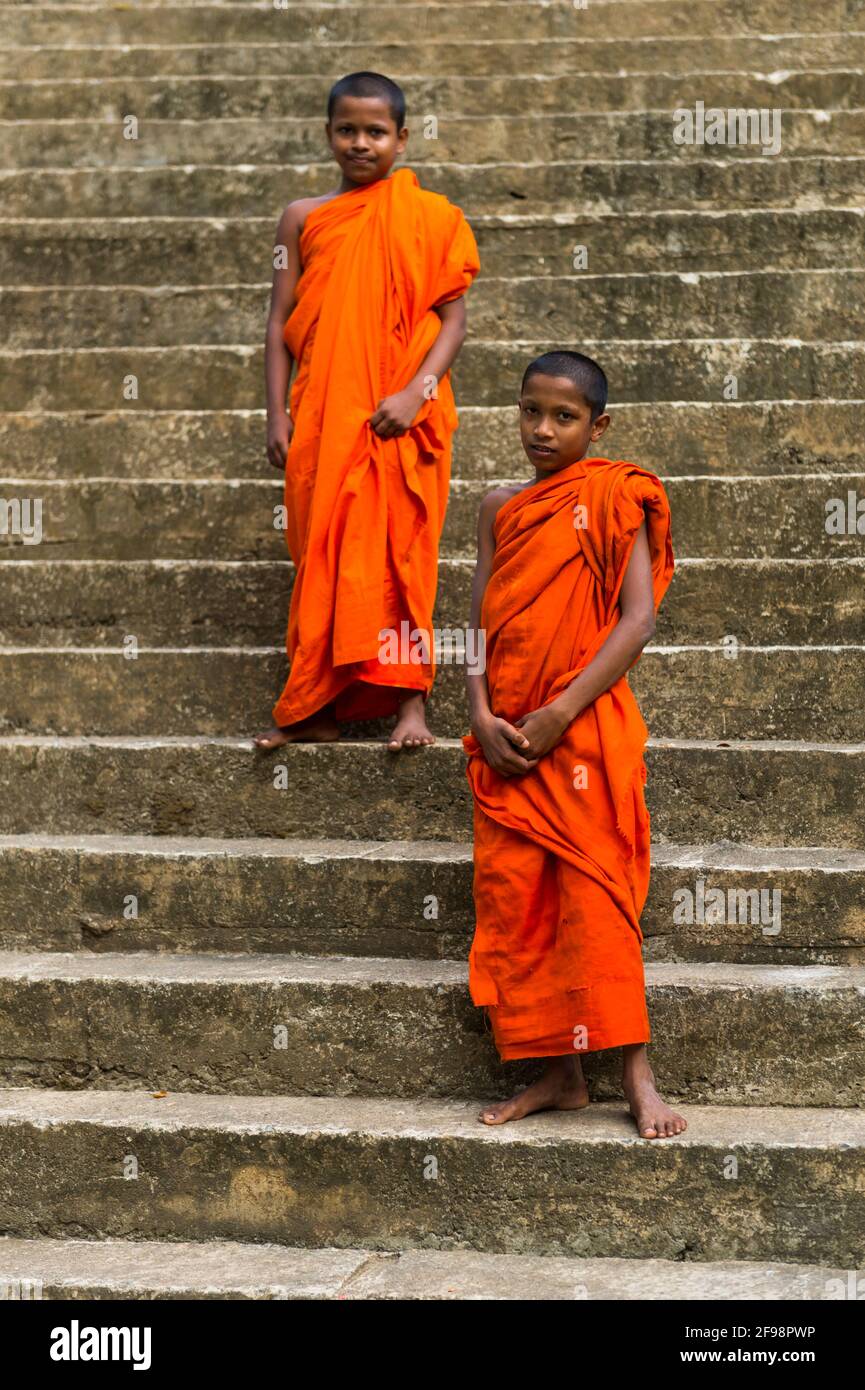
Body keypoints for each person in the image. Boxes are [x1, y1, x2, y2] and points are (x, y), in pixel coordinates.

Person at [463, 350, 687, 1139]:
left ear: (599, 425)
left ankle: (634, 1075)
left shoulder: (614, 496)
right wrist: (480, 712)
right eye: (530, 411)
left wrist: (559, 713)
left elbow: (637, 620)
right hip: (507, 736)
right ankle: (558, 1073)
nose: (542, 429)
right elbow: (480, 624)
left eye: (563, 417)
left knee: (595, 899)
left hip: (581, 728)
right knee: (520, 901)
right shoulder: (498, 507)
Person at [255, 72, 480, 751]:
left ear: (401, 138)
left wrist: (418, 392)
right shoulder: (302, 217)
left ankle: (411, 706)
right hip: (324, 415)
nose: (360, 143)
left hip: (400, 413)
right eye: (347, 130)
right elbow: (278, 322)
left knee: (401, 552)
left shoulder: (430, 216)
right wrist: (274, 415)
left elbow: (453, 321)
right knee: (322, 553)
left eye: (375, 132)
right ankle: (316, 706)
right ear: (328, 135)